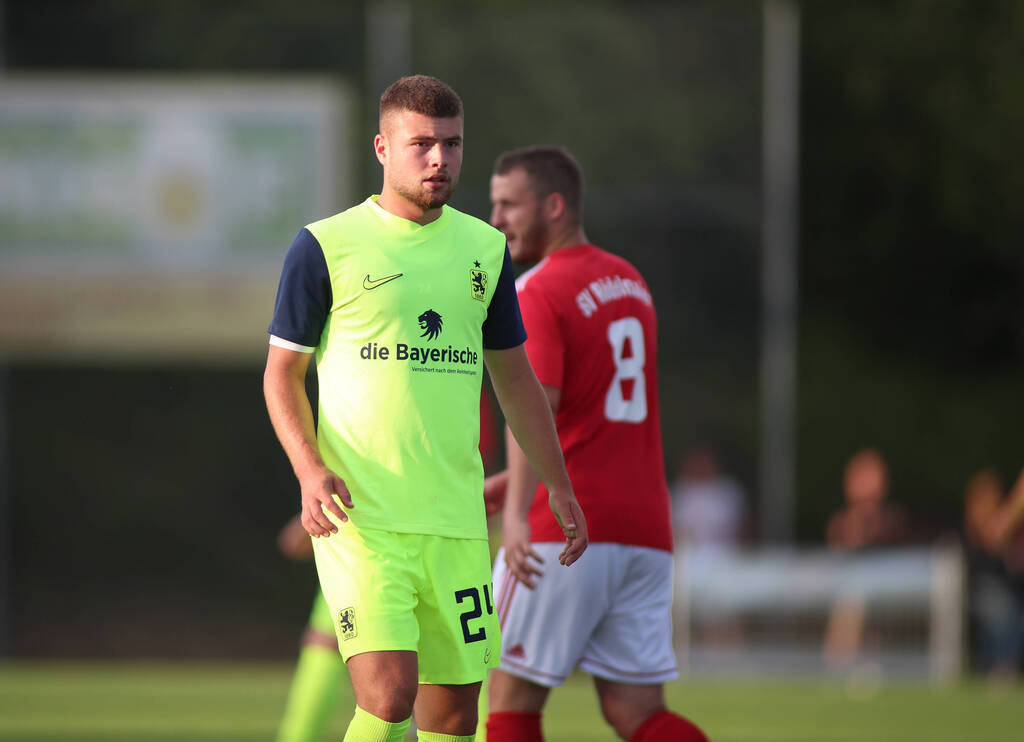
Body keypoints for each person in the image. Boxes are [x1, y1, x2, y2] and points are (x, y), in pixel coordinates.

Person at [263, 77, 587, 742]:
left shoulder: (485, 251)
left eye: (452, 144)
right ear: (383, 148)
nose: (439, 158)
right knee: (388, 696)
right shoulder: (325, 245)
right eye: (422, 145)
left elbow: (517, 381)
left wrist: (558, 484)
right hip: (364, 521)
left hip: (456, 523)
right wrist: (308, 470)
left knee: (453, 716)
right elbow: (282, 375)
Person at [482, 146, 708, 742]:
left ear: (554, 206)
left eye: (509, 204)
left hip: (564, 530)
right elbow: (598, 416)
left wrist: (516, 518)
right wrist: (513, 479)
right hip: (644, 532)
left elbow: (539, 408)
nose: (496, 219)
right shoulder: (628, 281)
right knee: (637, 711)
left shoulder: (538, 289)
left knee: (507, 698)